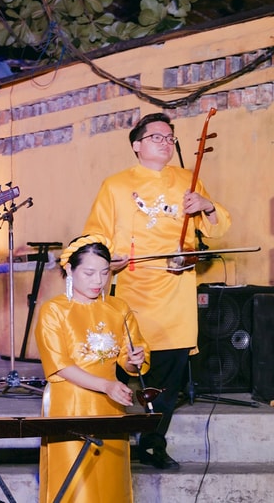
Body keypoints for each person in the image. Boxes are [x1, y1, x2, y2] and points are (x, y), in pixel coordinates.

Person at [82, 111, 230, 470]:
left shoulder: (187, 179)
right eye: (156, 137)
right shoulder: (115, 185)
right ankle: (105, 440)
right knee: (117, 368)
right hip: (132, 288)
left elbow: (216, 229)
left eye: (170, 138)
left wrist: (206, 206)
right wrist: (107, 261)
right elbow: (95, 234)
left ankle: (152, 443)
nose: (166, 143)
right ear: (136, 145)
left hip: (176, 291)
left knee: (168, 375)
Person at [36, 235, 148, 503]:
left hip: (111, 405)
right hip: (70, 405)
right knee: (76, 484)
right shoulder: (54, 311)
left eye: (104, 272)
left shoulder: (118, 308)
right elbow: (59, 365)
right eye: (89, 273)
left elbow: (130, 363)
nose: (98, 281)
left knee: (111, 482)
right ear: (69, 271)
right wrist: (106, 386)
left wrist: (135, 358)